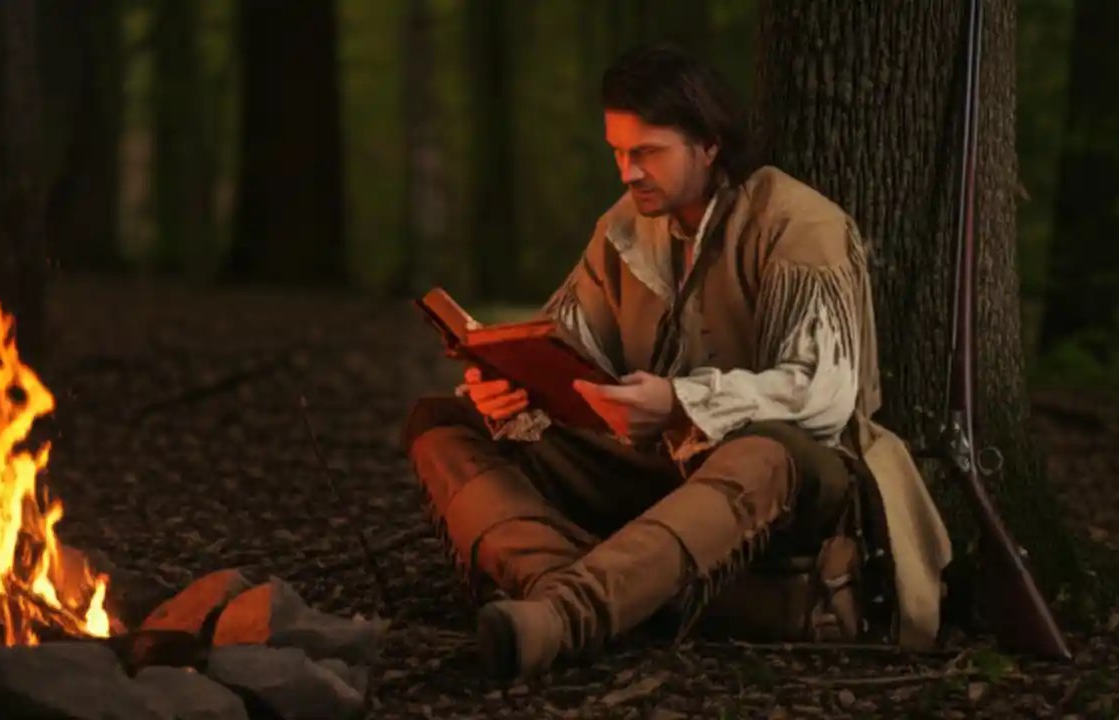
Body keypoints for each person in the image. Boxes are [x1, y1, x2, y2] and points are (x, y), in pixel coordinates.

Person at [401, 44, 952, 679]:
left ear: (709, 144)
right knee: (443, 420)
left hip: (788, 478)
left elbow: (821, 394)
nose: (628, 172)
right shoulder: (625, 228)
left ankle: (569, 614)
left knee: (765, 450)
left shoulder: (795, 222)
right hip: (655, 466)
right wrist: (512, 392)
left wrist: (680, 401)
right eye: (618, 153)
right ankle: (565, 587)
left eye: (647, 152)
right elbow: (569, 349)